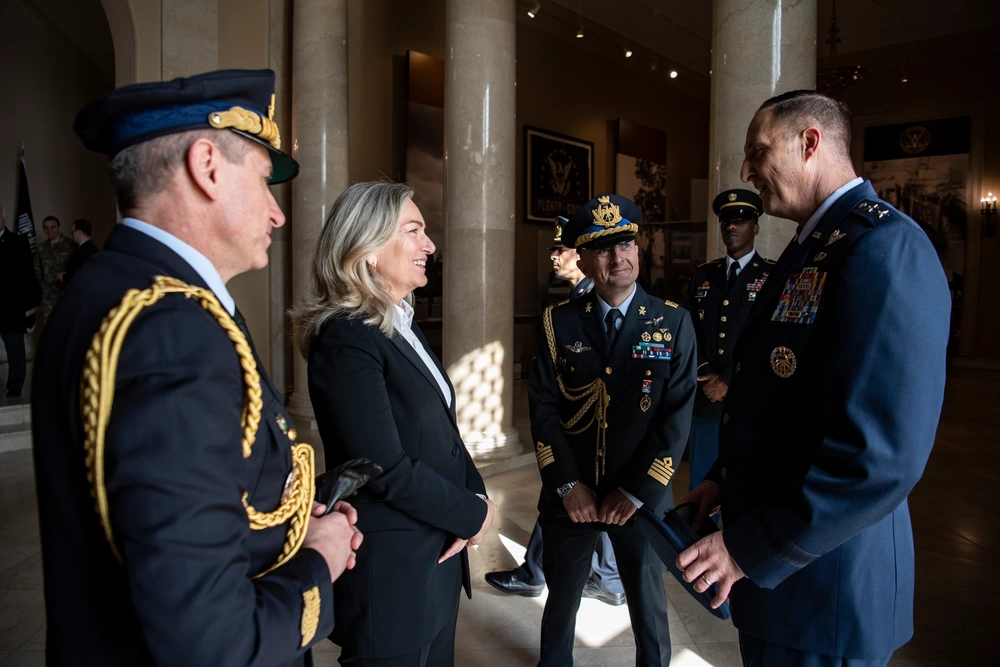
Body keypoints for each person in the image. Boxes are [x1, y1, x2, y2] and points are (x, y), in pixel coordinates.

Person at [31, 69, 361, 666]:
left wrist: (280, 522)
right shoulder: (170, 327)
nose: (277, 212)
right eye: (264, 181)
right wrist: (320, 558)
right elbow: (210, 640)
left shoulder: (117, 289)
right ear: (207, 165)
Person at [677, 90, 950, 667]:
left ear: (809, 143)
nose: (747, 172)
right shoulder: (813, 248)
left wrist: (751, 549)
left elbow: (881, 457)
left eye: (757, 151)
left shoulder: (881, 246)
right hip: (784, 587)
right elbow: (782, 399)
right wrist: (724, 480)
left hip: (828, 588)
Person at [292, 181, 495, 667]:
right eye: (414, 230)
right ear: (367, 250)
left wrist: (478, 494)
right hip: (393, 568)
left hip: (435, 549)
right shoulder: (344, 337)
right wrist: (471, 514)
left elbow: (444, 431)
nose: (429, 245)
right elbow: (382, 463)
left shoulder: (398, 320)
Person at [530, 194, 697, 666]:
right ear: (582, 257)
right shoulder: (557, 323)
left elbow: (675, 418)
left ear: (639, 249)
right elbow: (542, 409)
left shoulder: (672, 321)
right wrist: (566, 484)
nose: (617, 257)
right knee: (560, 603)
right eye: (602, 248)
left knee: (648, 606)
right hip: (572, 496)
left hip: (639, 500)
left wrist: (640, 491)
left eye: (625, 243)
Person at [486, 215, 625, 606]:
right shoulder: (573, 301)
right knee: (568, 497)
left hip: (582, 428)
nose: (553, 256)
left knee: (567, 496)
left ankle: (547, 573)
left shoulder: (589, 300)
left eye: (560, 249)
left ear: (581, 255)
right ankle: (597, 575)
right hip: (574, 426)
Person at [684, 190, 773, 490]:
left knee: (747, 484)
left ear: (755, 226)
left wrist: (728, 379)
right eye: (726, 221)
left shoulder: (772, 276)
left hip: (749, 397)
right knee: (701, 485)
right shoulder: (703, 275)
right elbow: (688, 330)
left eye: (741, 220)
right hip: (707, 399)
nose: (732, 227)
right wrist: (706, 371)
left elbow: (770, 338)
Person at [1, 207, 40, 398]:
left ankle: (15, 386)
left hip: (11, 306)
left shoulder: (18, 241)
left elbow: (26, 275)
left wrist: (26, 306)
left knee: (15, 350)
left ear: (3, 218)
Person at [33, 215, 75, 326]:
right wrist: (41, 281)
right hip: (48, 296)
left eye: (53, 227)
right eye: (46, 228)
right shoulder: (42, 248)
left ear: (59, 228)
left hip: (65, 293)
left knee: (66, 326)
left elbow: (78, 267)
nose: (49, 230)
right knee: (48, 327)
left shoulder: (71, 245)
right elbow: (36, 266)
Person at [64, 217, 99, 283]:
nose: (72, 235)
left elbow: (76, 276)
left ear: (79, 233)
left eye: (72, 232)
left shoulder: (82, 251)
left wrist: (63, 277)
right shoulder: (93, 248)